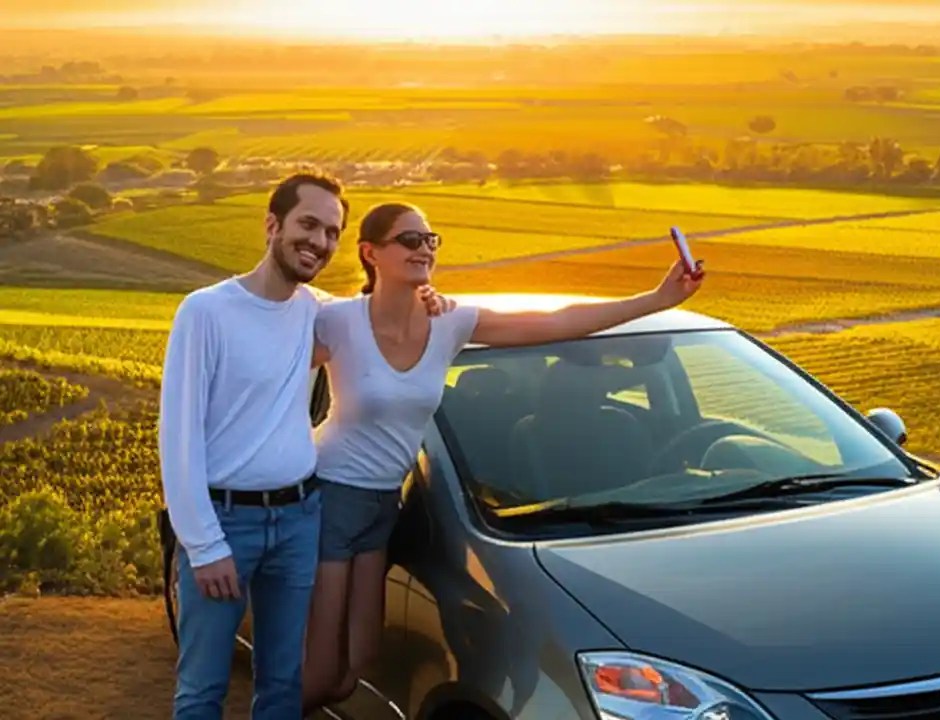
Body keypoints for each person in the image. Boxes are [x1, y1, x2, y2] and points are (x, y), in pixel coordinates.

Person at [300, 201, 705, 713]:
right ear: (370, 253)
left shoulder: (448, 323)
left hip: (383, 505)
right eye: (408, 240)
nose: (423, 249)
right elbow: (268, 370)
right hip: (331, 495)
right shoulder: (338, 322)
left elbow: (556, 322)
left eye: (430, 239)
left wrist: (657, 299)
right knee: (318, 672)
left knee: (357, 663)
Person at [158, 171, 352, 720]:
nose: (319, 241)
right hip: (225, 523)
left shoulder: (318, 309)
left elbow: (382, 321)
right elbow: (177, 437)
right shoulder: (206, 312)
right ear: (272, 225)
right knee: (202, 687)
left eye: (332, 232)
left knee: (283, 682)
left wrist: (426, 298)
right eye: (308, 224)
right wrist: (203, 544)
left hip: (298, 520)